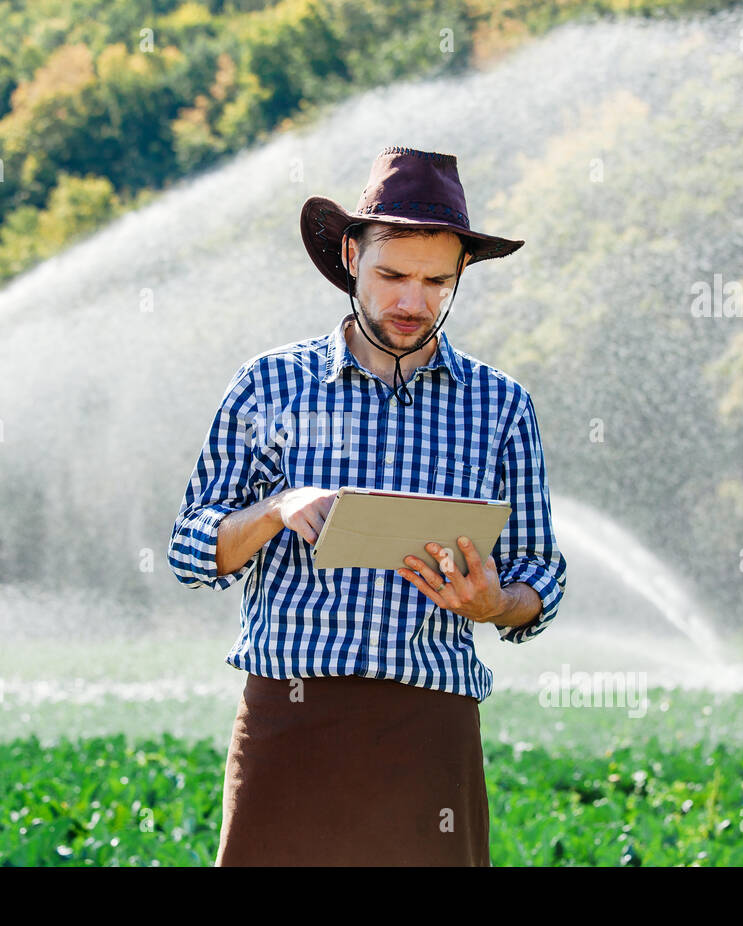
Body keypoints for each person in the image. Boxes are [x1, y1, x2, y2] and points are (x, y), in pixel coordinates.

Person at [167, 145, 568, 866]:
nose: (412, 302)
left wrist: (496, 603)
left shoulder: (502, 404)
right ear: (352, 256)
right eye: (391, 275)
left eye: (435, 281)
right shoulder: (270, 383)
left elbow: (542, 573)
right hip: (289, 723)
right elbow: (191, 550)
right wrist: (277, 509)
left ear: (462, 274)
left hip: (431, 726)